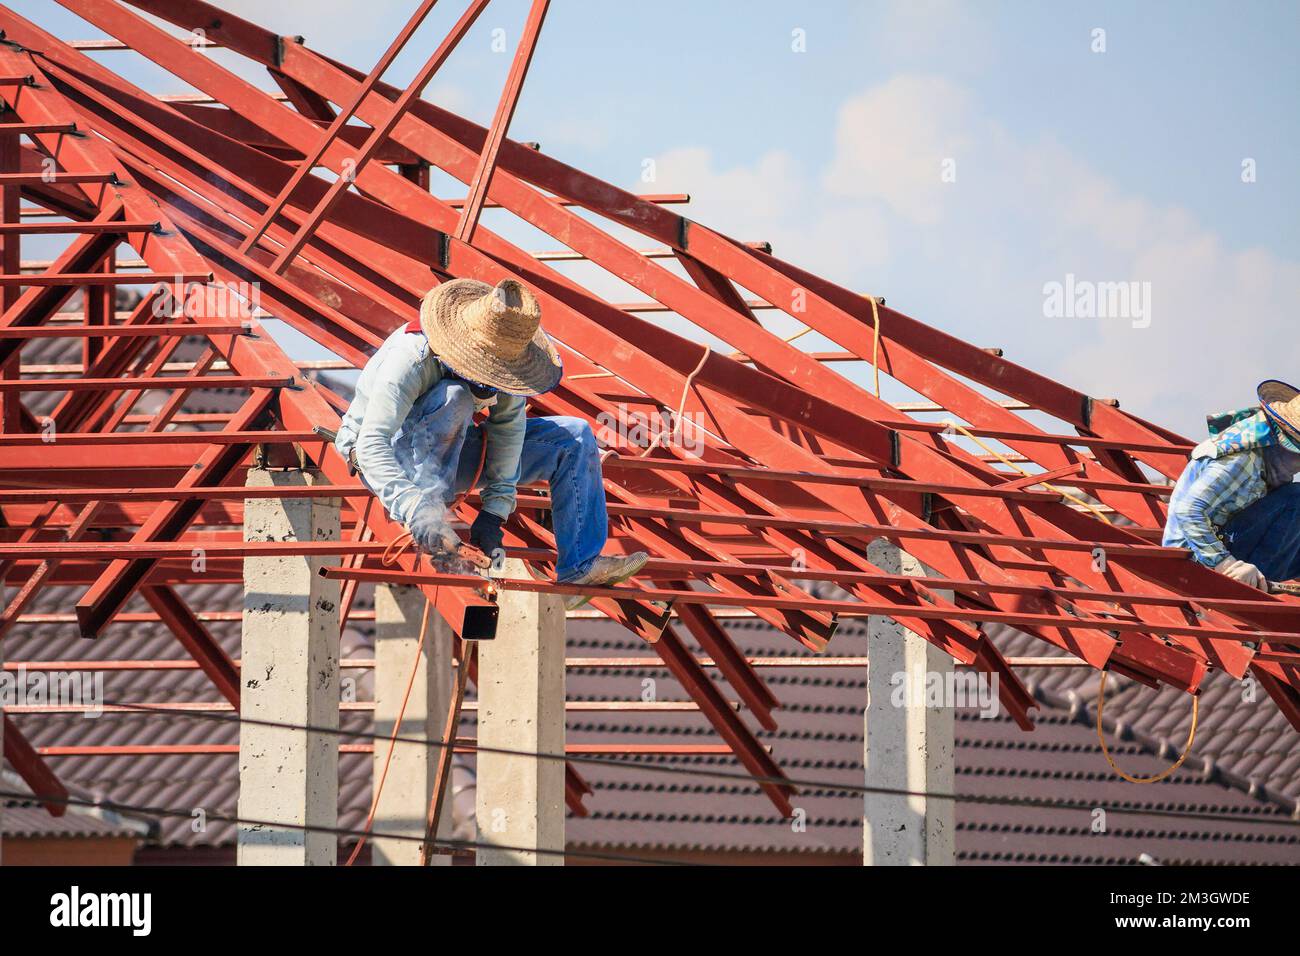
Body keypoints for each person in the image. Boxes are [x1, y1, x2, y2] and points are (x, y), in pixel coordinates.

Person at [335, 277, 647, 609]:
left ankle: (579, 567)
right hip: (391, 463)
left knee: (574, 436)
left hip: (453, 450)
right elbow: (370, 444)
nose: (492, 386)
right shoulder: (410, 359)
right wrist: (420, 512)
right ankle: (430, 516)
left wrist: (494, 513)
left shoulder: (507, 361)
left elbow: (508, 434)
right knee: (454, 397)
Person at [1163, 379, 1300, 590]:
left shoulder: (1265, 462)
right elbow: (1189, 510)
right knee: (1295, 499)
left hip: (1220, 545)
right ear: (1285, 444)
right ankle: (1258, 584)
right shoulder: (1242, 461)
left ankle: (1263, 578)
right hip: (1194, 558)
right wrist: (1226, 564)